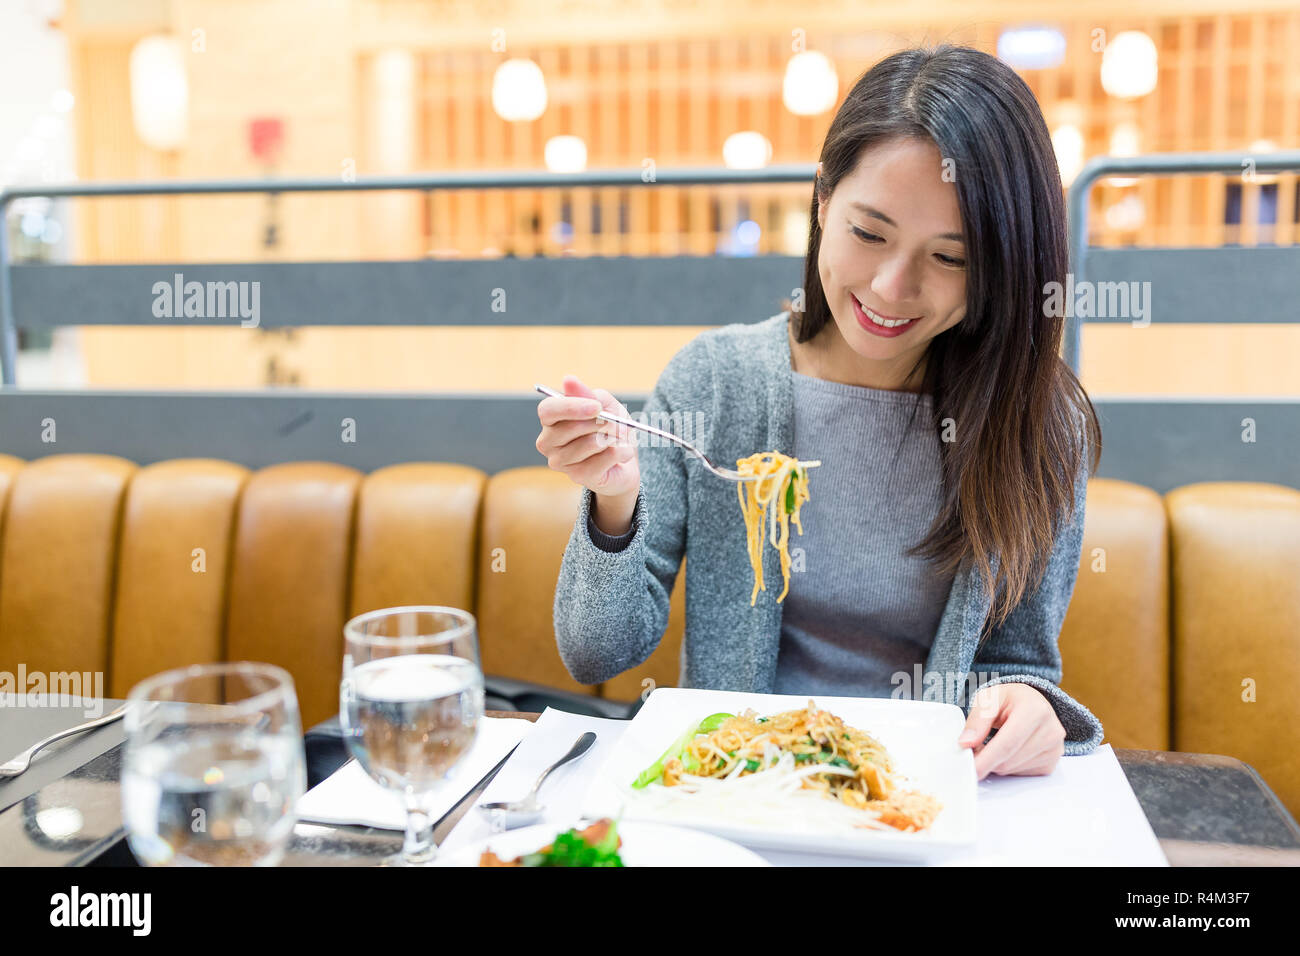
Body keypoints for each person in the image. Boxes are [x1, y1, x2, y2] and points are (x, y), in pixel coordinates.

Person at [534, 45, 1104, 781]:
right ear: (822, 199)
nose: (892, 287)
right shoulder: (716, 383)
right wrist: (614, 497)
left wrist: (1028, 708)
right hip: (734, 792)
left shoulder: (1034, 424)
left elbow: (1017, 666)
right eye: (869, 234)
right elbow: (598, 652)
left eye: (951, 258)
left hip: (920, 800)